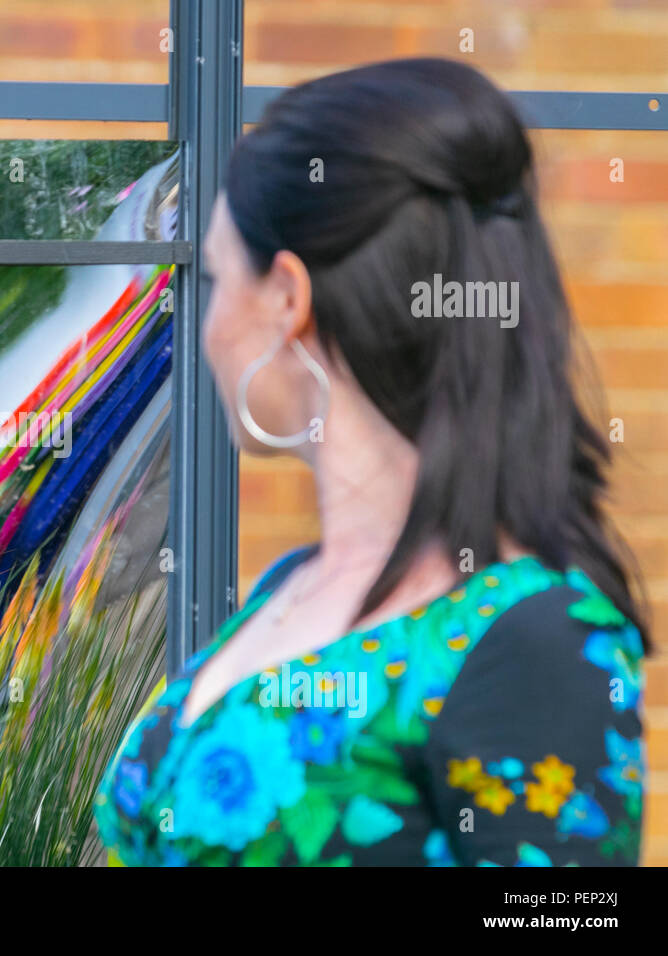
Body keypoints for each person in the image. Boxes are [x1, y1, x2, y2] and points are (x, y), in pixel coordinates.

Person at [94, 57, 650, 866]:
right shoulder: (288, 587)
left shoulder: (531, 638)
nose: (204, 325)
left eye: (214, 279)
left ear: (288, 299)